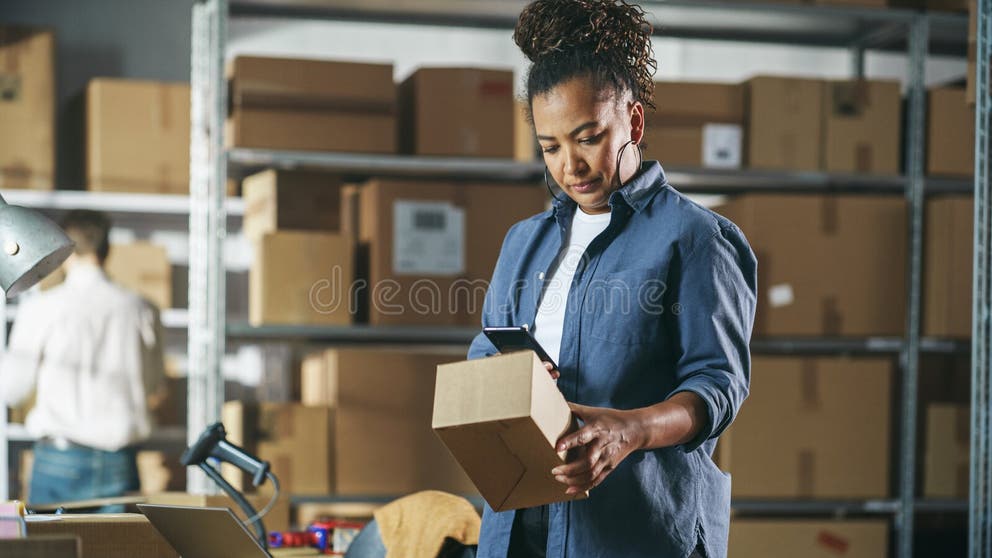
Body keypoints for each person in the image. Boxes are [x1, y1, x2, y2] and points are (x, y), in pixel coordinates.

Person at [466, 1, 757, 556]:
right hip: (518, 527)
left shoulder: (694, 238)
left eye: (588, 137)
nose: (569, 164)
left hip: (636, 529)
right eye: (550, 147)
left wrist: (630, 430)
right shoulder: (523, 243)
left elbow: (717, 387)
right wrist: (511, 378)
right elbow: (487, 351)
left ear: (634, 121)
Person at [0, 209, 165, 512]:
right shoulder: (143, 309)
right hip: (120, 459)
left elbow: (12, 390)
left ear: (62, 250)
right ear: (107, 249)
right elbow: (154, 385)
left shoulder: (43, 308)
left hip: (58, 460)